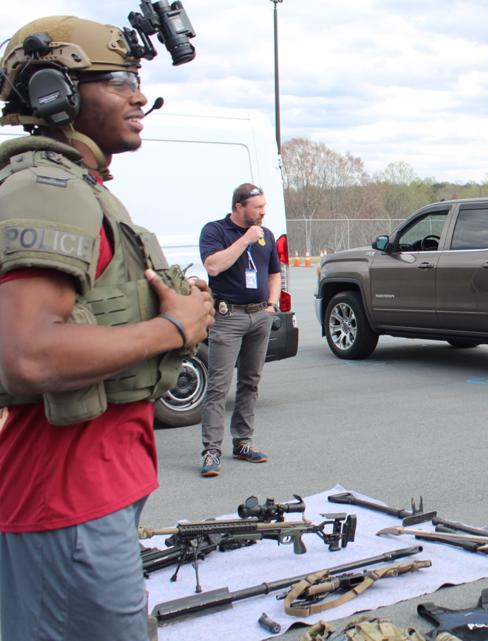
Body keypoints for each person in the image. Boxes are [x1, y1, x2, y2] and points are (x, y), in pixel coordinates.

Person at [0, 16, 214, 641]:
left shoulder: (78, 188)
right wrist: (174, 328)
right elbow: (29, 354)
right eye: (118, 80)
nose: (138, 96)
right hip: (65, 499)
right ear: (53, 90)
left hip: (92, 490)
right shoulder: (48, 188)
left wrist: (174, 309)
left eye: (138, 79)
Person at [197, 182, 282, 476]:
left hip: (259, 316)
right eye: (257, 207)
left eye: (264, 206)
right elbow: (213, 266)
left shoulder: (266, 236)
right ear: (238, 207)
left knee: (250, 382)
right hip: (227, 316)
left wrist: (271, 305)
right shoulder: (215, 231)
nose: (263, 212)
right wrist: (245, 240)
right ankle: (211, 451)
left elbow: (274, 273)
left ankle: (243, 442)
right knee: (219, 386)